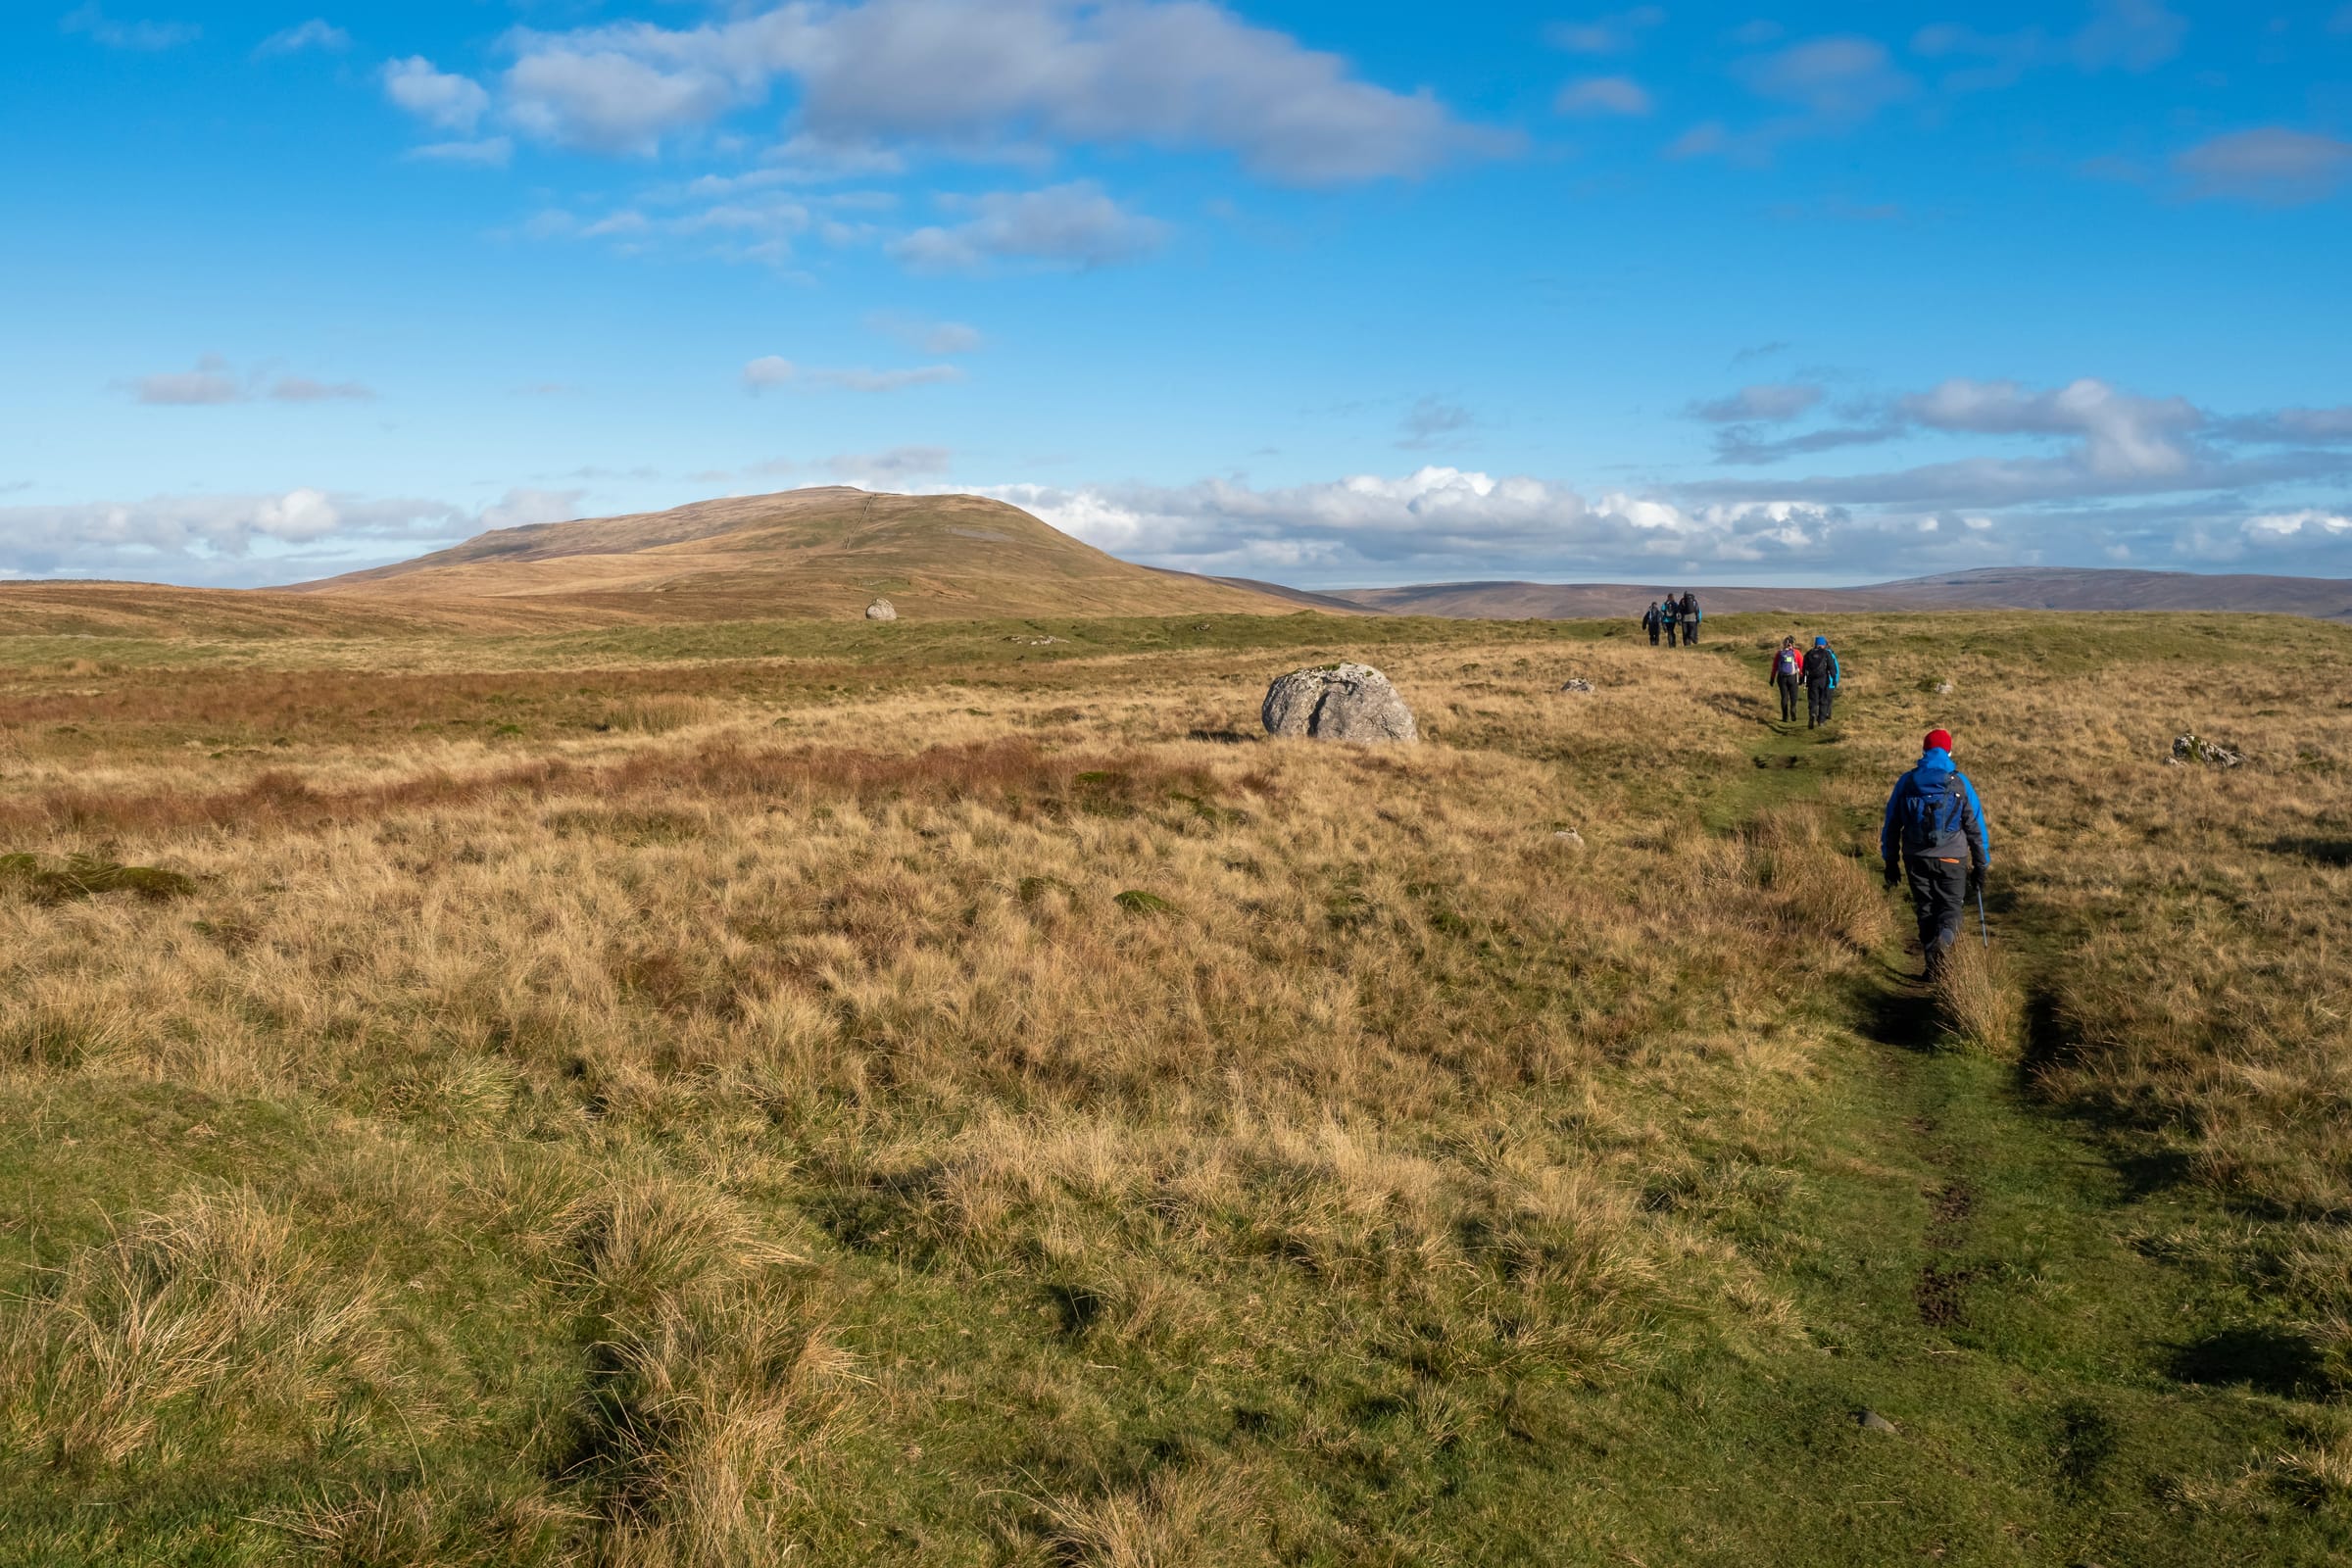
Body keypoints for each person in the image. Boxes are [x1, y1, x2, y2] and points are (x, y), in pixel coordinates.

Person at [1882, 729, 1989, 980]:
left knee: (1926, 908)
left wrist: (1890, 861)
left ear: (1923, 751)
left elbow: (1892, 823)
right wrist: (1981, 865)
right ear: (1949, 751)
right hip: (1953, 856)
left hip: (1916, 856)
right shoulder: (1959, 782)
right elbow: (1976, 826)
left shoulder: (1907, 782)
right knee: (1951, 907)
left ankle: (1932, 970)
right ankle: (1945, 939)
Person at [1801, 635, 1839, 727]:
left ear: (1815, 644)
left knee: (1813, 699)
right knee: (1823, 700)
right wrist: (1834, 679)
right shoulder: (1827, 653)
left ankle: (1812, 713)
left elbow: (1804, 668)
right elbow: (1832, 667)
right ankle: (1821, 721)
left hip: (1812, 681)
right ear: (1824, 644)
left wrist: (1803, 679)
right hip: (1823, 680)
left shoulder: (1809, 653)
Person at [1769, 635, 1803, 722]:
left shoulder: (1779, 653)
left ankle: (1785, 717)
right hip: (1793, 677)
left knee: (1784, 697)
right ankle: (1793, 708)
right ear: (1792, 644)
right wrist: (1802, 676)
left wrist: (1772, 678)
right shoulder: (1797, 653)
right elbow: (1801, 665)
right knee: (1793, 696)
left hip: (1781, 678)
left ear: (1784, 644)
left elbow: (1774, 667)